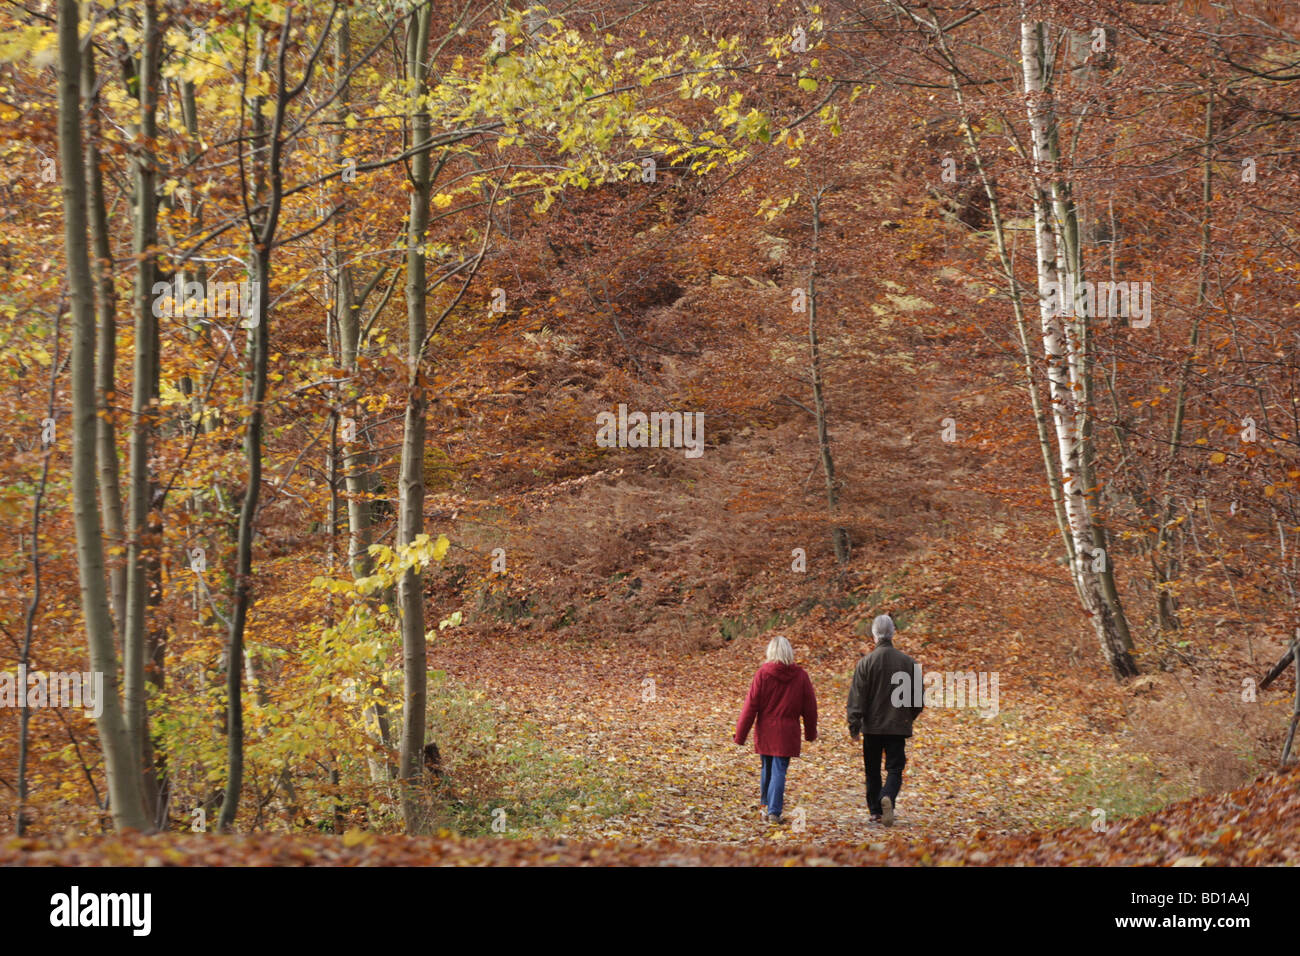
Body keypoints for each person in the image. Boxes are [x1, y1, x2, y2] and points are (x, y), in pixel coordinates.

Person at [846, 614, 923, 826]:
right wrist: (908, 718)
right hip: (897, 726)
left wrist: (854, 725)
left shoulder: (865, 663)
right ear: (893, 633)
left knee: (872, 769)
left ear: (874, 635)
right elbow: (918, 699)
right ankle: (888, 795)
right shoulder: (909, 663)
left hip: (871, 727)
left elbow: (857, 697)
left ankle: (875, 812)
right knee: (895, 768)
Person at [734, 636, 818, 824]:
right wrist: (810, 733)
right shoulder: (801, 676)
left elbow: (750, 706)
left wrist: (740, 735)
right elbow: (810, 707)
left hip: (766, 730)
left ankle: (766, 806)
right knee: (779, 770)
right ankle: (773, 810)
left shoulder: (762, 674)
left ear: (771, 652)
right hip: (787, 732)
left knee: (767, 768)